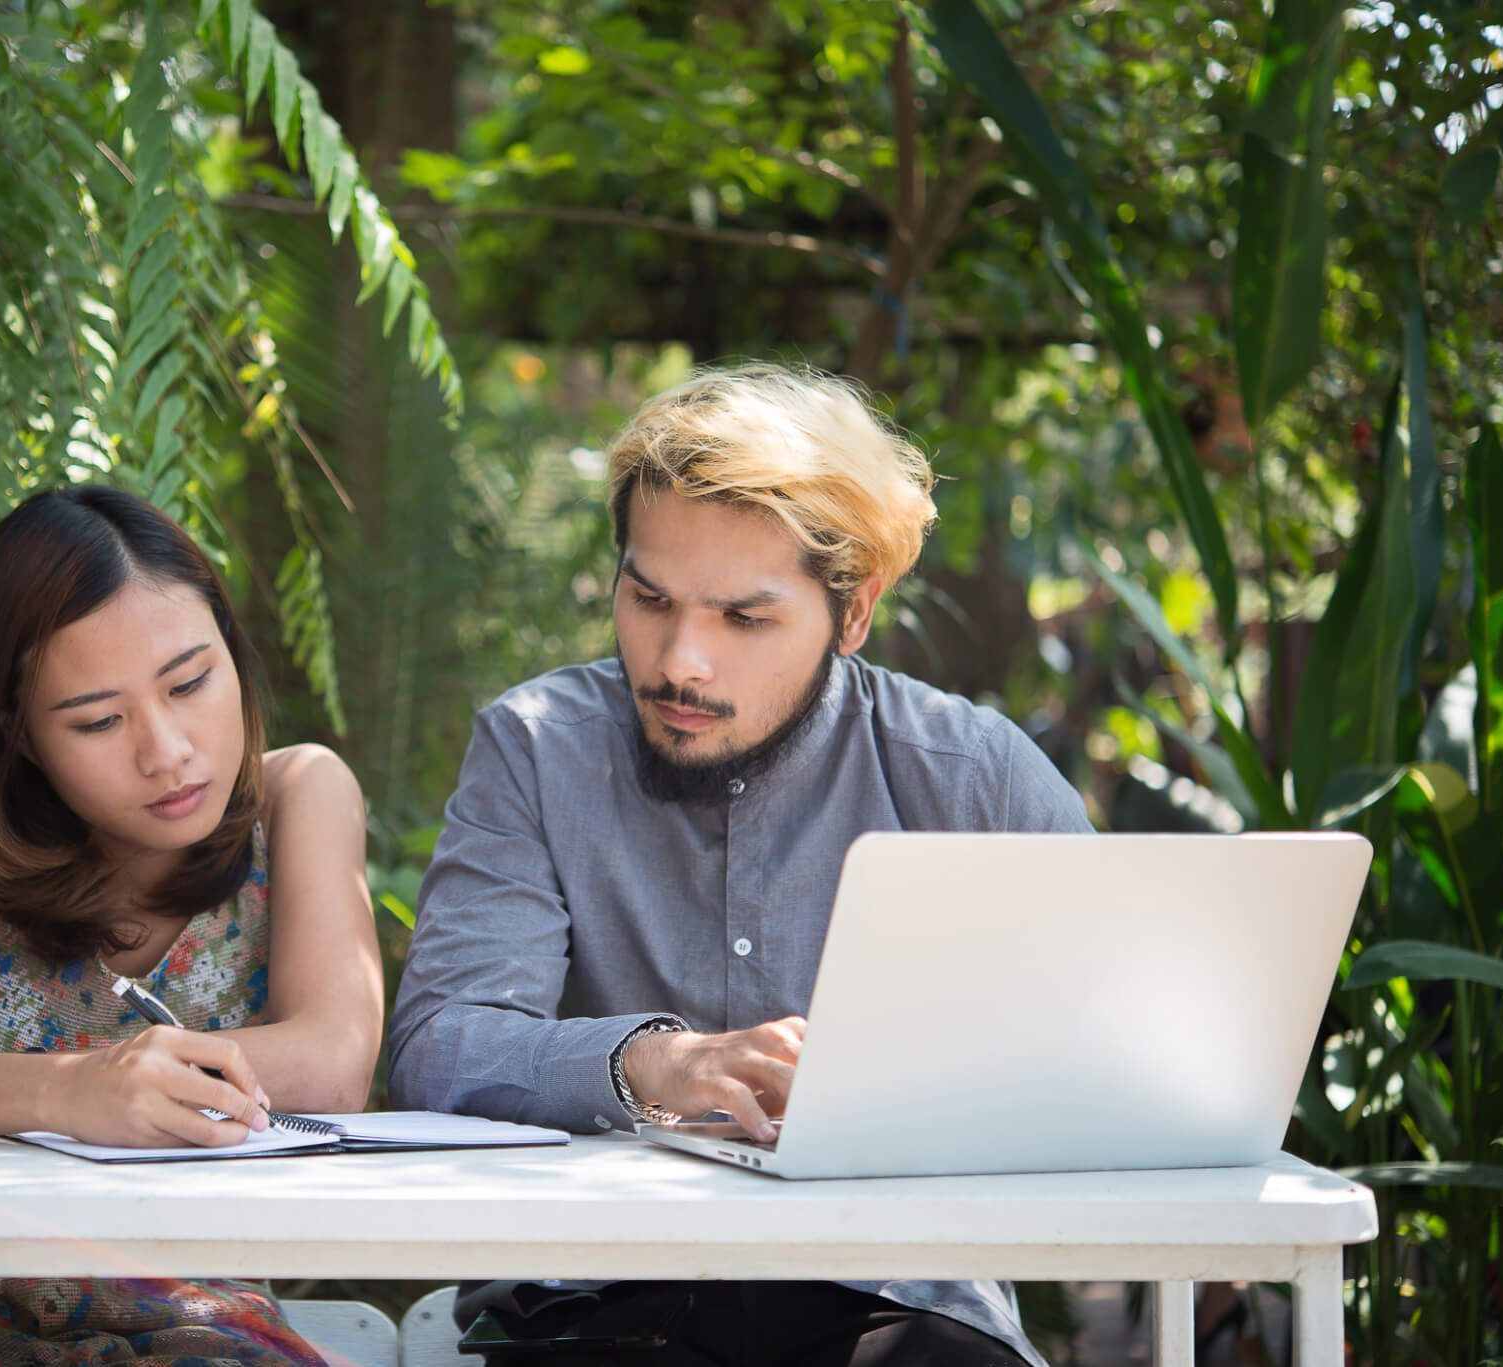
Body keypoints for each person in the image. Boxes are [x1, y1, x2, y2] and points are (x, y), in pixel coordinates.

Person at [389, 364, 1092, 1367]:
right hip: (595, 1300)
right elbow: (440, 1047)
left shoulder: (970, 778)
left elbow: (1116, 1050)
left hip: (893, 1299)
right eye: (648, 599)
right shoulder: (535, 750)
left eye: (742, 617)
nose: (680, 660)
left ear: (852, 613)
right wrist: (652, 1064)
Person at [0, 485, 382, 1366]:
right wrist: (72, 1091)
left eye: (191, 682)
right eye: (99, 719)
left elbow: (332, 1065)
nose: (167, 750)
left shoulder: (300, 794)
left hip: (188, 1320)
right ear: (17, 730)